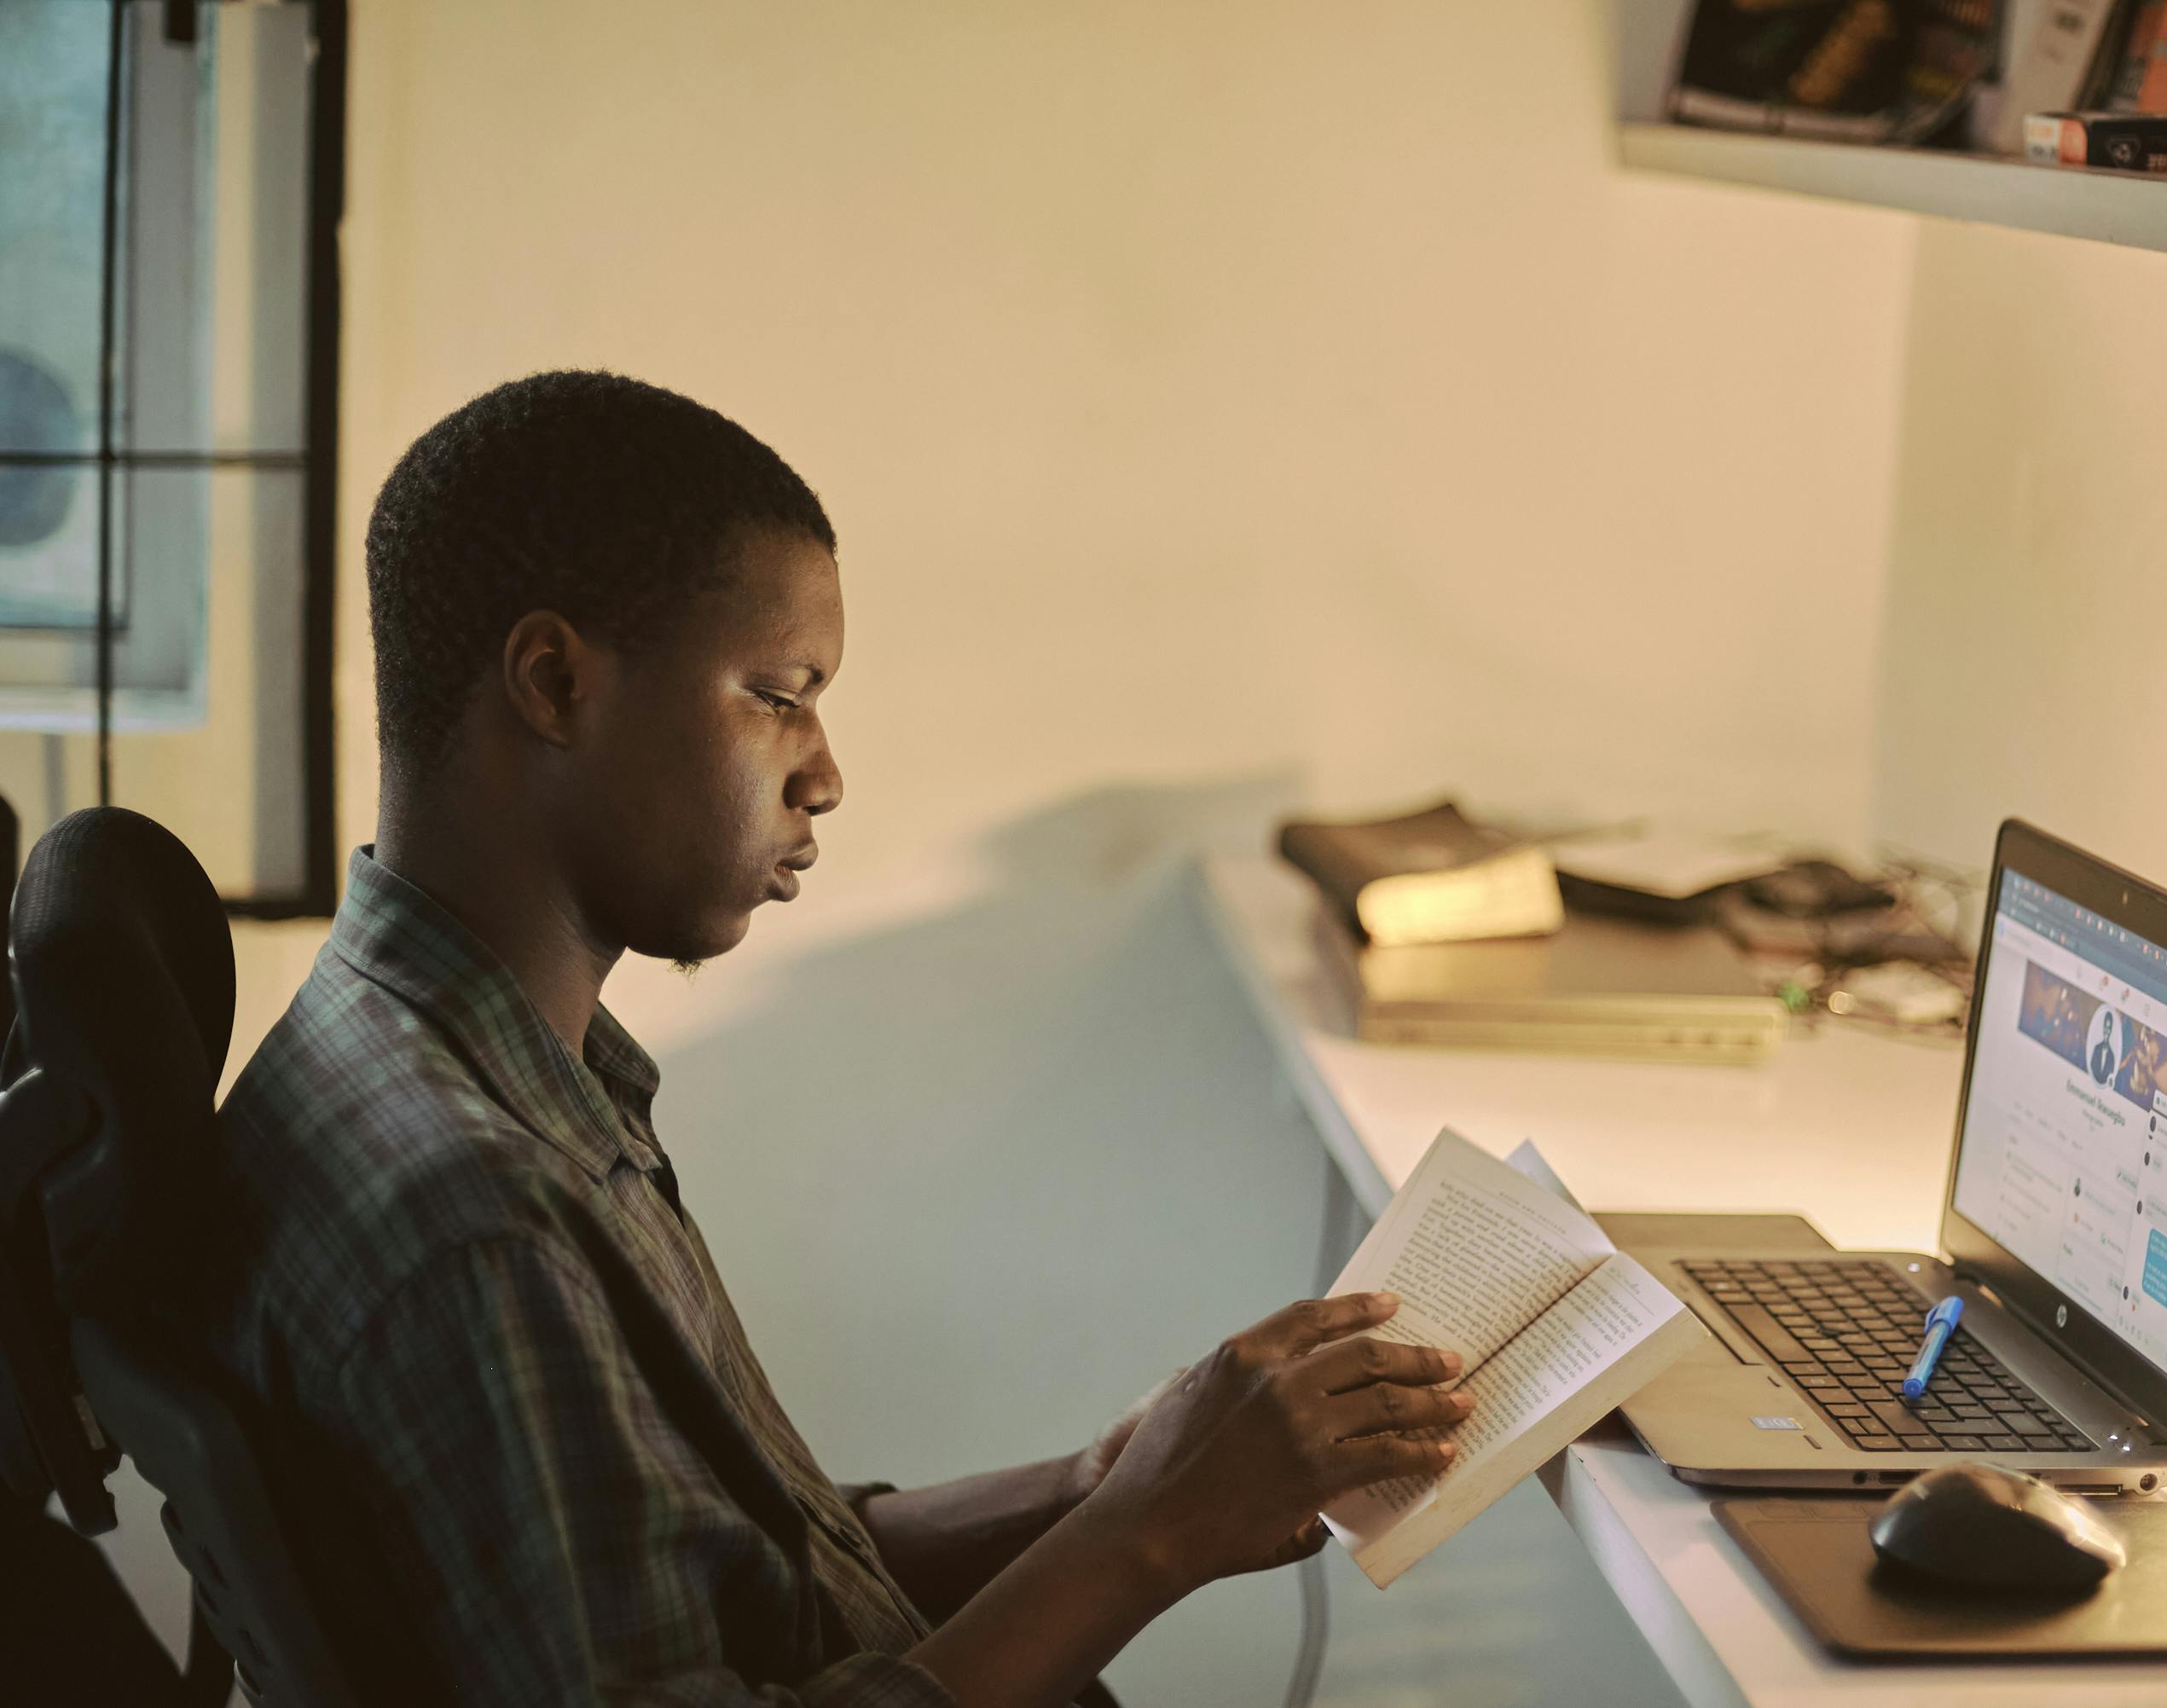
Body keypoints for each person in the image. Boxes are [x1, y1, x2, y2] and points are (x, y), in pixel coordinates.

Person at [195, 371, 1470, 1707]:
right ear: (556, 682)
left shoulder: (448, 1061)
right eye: (779, 694)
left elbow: (752, 1568)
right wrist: (1144, 1538)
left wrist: (1102, 1484)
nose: (825, 773)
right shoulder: (476, 1220)